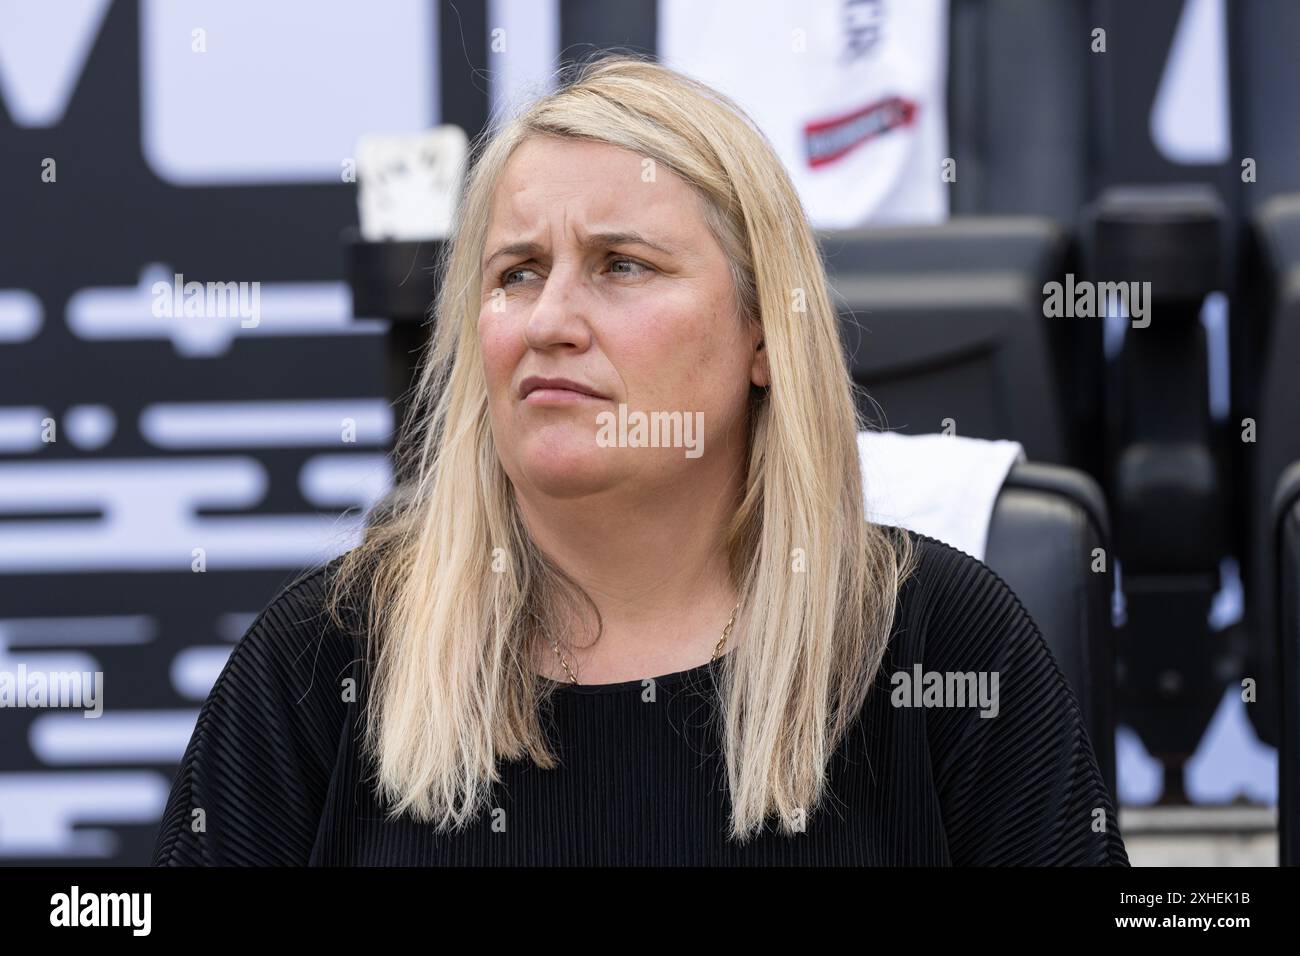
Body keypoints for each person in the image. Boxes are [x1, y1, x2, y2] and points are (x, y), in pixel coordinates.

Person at [153, 54, 1128, 866]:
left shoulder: (940, 644)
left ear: (763, 334)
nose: (550, 321)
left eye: (623, 264)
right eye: (516, 272)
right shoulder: (319, 664)